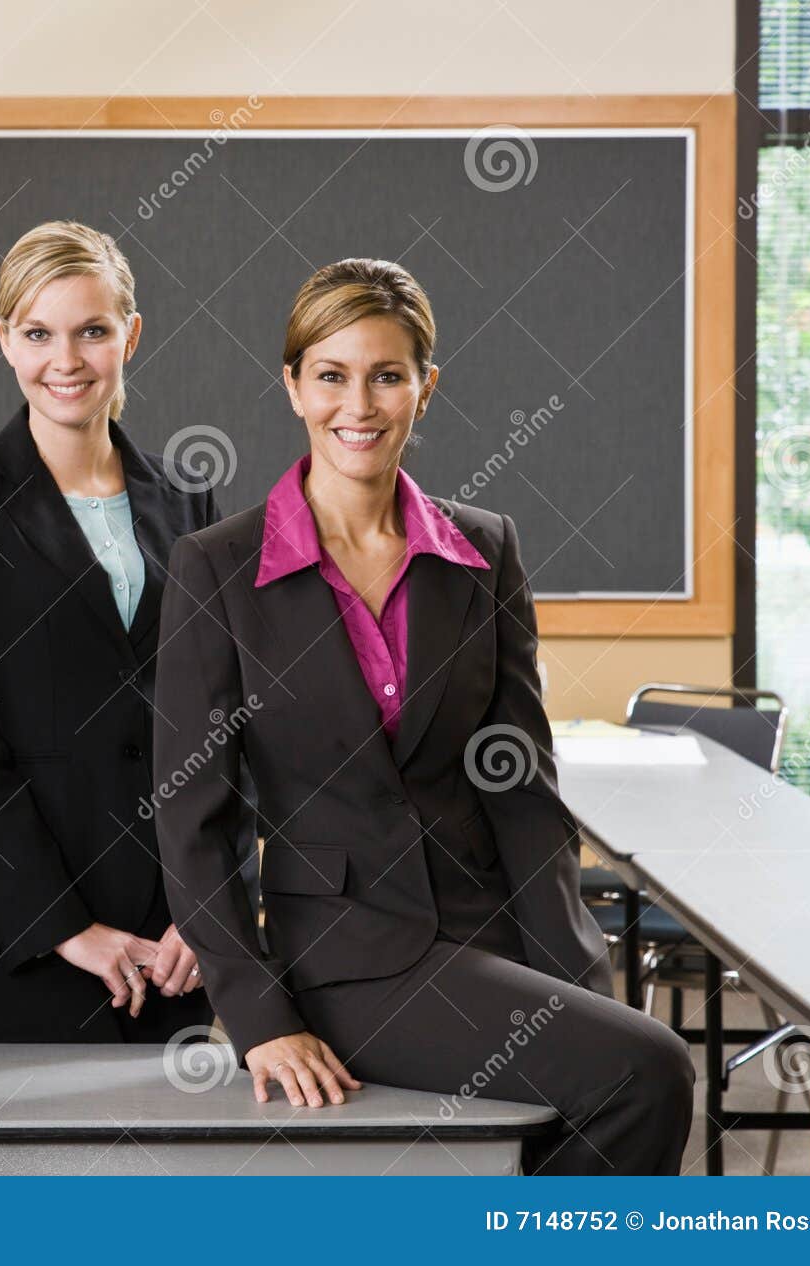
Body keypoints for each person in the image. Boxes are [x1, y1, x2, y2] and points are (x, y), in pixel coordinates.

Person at [152, 258, 694, 1175]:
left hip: (490, 929)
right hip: (349, 956)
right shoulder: (217, 566)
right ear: (292, 387)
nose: (357, 405)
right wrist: (259, 1018)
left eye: (387, 375)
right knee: (653, 1071)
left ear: (425, 388)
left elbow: (521, 787)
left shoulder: (484, 548)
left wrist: (577, 973)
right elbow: (191, 820)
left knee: (604, 1071)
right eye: (331, 375)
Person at [0, 220, 245, 1041]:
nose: (67, 360)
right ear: (5, 343)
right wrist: (61, 926)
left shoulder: (188, 501)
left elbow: (227, 714)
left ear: (129, 334)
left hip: (175, 935)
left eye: (92, 331)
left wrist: (205, 906)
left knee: (174, 1162)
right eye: (38, 333)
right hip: (26, 927)